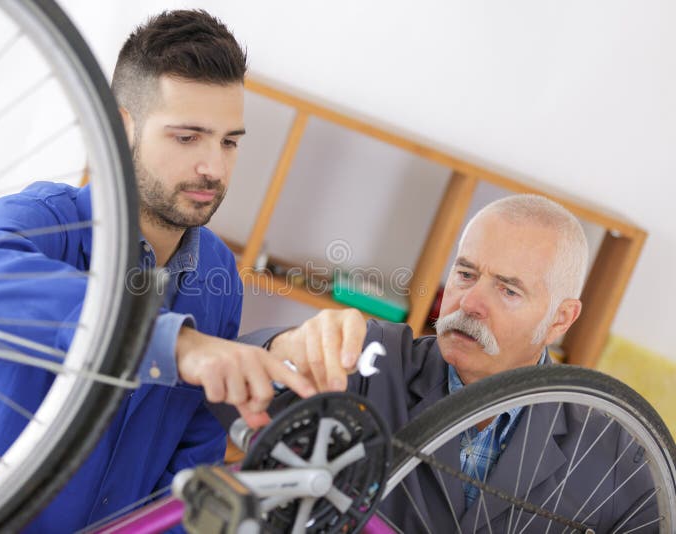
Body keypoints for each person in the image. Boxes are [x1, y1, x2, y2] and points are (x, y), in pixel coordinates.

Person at [0, 10, 314, 533]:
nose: (215, 167)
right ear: (121, 128)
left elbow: (189, 469)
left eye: (229, 141)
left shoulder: (219, 276)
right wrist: (175, 345)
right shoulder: (41, 220)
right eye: (188, 138)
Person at [246, 194, 657, 531]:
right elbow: (232, 390)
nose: (470, 303)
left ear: (561, 320)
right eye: (465, 274)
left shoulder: (618, 451)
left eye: (508, 290)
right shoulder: (373, 357)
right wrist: (286, 346)